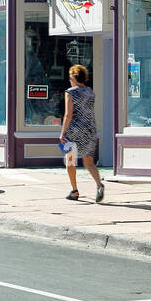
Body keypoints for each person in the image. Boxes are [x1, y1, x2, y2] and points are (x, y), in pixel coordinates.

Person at [60, 63, 105, 202]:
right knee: (89, 161)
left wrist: (62, 133)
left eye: (70, 77)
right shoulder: (90, 91)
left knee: (70, 160)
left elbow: (68, 115)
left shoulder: (70, 92)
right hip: (90, 129)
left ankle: (74, 190)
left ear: (74, 77)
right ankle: (99, 184)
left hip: (74, 131)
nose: (69, 79)